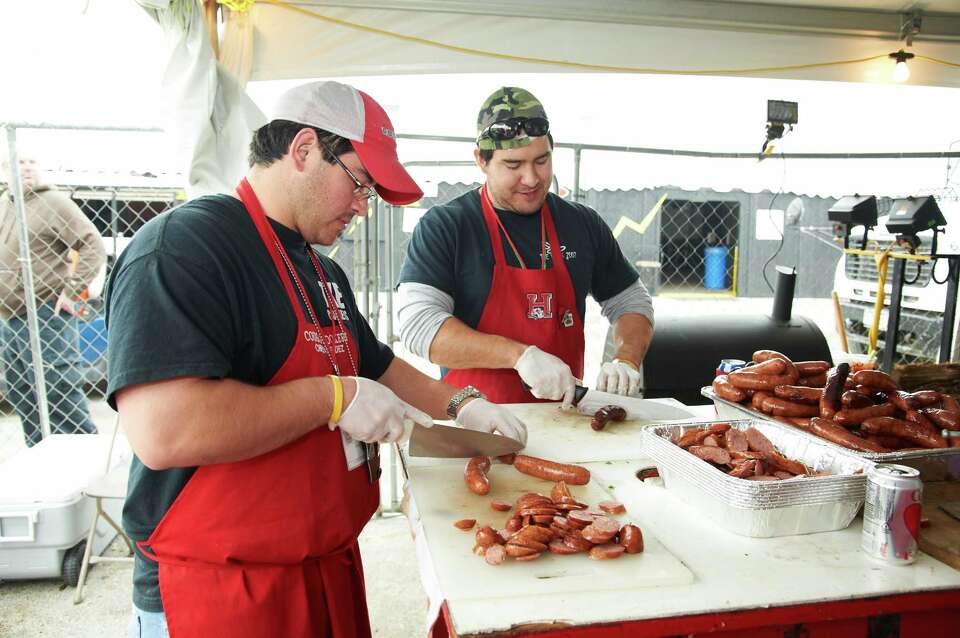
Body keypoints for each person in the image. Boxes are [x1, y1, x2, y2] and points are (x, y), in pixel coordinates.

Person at [105, 80, 526, 638]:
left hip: (324, 567)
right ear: (303, 149)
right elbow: (165, 430)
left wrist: (464, 405)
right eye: (360, 182)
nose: (362, 206)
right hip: (220, 590)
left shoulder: (323, 271)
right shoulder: (187, 248)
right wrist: (335, 397)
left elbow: (377, 365)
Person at [397, 87, 654, 406]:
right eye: (513, 164)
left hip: (563, 419)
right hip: (476, 418)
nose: (531, 178)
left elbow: (631, 301)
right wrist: (519, 356)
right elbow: (419, 327)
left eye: (541, 161)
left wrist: (626, 359)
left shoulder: (581, 224)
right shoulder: (447, 226)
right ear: (481, 160)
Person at [0, 155, 104, 446]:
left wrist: (72, 290)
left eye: (31, 161)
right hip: (10, 316)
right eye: (18, 162)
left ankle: (83, 453)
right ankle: (41, 453)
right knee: (22, 391)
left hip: (46, 312)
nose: (27, 167)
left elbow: (92, 243)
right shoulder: (6, 204)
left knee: (58, 391)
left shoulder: (53, 202)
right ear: (4, 170)